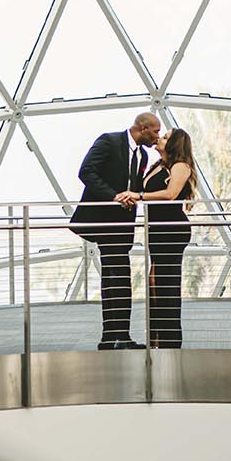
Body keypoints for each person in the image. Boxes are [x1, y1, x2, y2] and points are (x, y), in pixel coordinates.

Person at [69, 112, 161, 350]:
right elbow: (86, 171)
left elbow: (134, 186)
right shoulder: (109, 141)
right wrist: (113, 197)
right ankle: (116, 337)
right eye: (155, 131)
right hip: (105, 222)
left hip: (124, 225)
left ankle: (114, 337)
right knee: (117, 277)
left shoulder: (141, 155)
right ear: (143, 127)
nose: (156, 136)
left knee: (116, 278)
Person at [138, 128, 195, 349]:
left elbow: (171, 194)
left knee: (166, 285)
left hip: (171, 229)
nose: (159, 138)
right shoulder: (158, 165)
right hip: (157, 229)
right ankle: (157, 341)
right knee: (155, 283)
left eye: (164, 137)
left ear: (174, 143)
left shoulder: (180, 166)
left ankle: (170, 343)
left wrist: (138, 196)